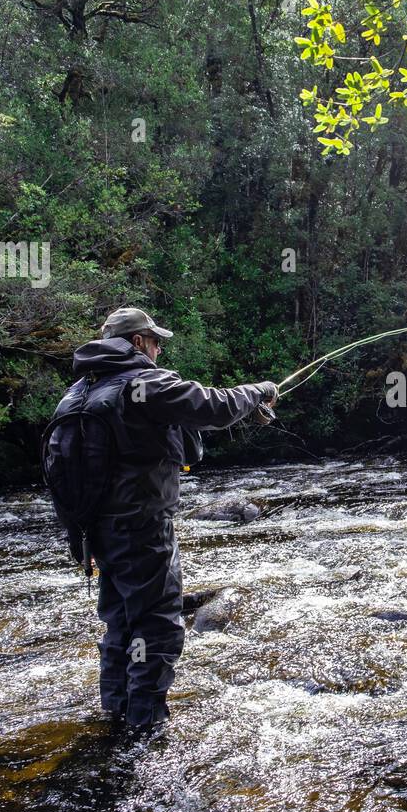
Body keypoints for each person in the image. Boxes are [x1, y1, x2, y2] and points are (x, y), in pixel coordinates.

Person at [45, 307, 277, 728]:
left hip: (96, 531)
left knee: (119, 622)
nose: (159, 349)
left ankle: (116, 712)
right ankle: (146, 723)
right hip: (141, 529)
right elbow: (214, 405)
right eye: (155, 341)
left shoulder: (78, 392)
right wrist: (259, 391)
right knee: (156, 626)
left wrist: (79, 540)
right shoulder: (144, 382)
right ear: (137, 342)